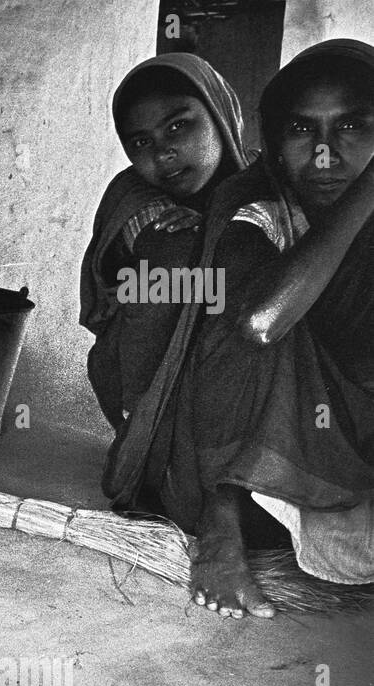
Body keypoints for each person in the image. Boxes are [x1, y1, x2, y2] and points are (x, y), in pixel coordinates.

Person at [182, 39, 374, 618]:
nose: (323, 154)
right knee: (246, 318)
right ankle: (219, 526)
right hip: (273, 448)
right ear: (270, 143)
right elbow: (261, 322)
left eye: (352, 127)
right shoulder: (254, 209)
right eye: (300, 130)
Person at [81, 54, 251, 514]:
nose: (163, 152)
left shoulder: (265, 188)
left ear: (219, 113)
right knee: (170, 259)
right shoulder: (136, 199)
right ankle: (154, 449)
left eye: (178, 127)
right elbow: (124, 302)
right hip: (145, 377)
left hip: (246, 382)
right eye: (140, 141)